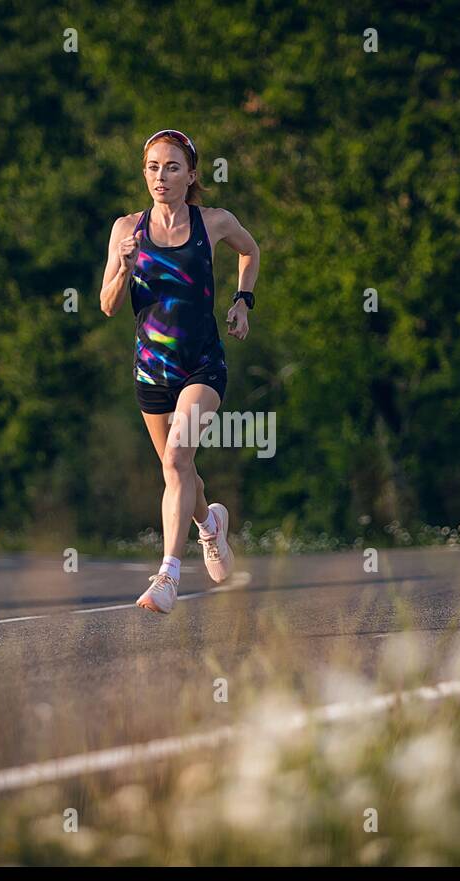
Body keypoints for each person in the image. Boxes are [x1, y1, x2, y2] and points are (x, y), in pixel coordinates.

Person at [99, 129, 261, 613]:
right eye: (152, 167)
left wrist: (242, 302)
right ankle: (210, 525)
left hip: (202, 366)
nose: (160, 177)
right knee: (180, 468)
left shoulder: (213, 222)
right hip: (151, 372)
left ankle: (168, 575)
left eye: (172, 167)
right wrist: (124, 268)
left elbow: (250, 252)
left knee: (175, 462)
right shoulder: (126, 229)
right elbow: (108, 305)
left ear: (191, 175)